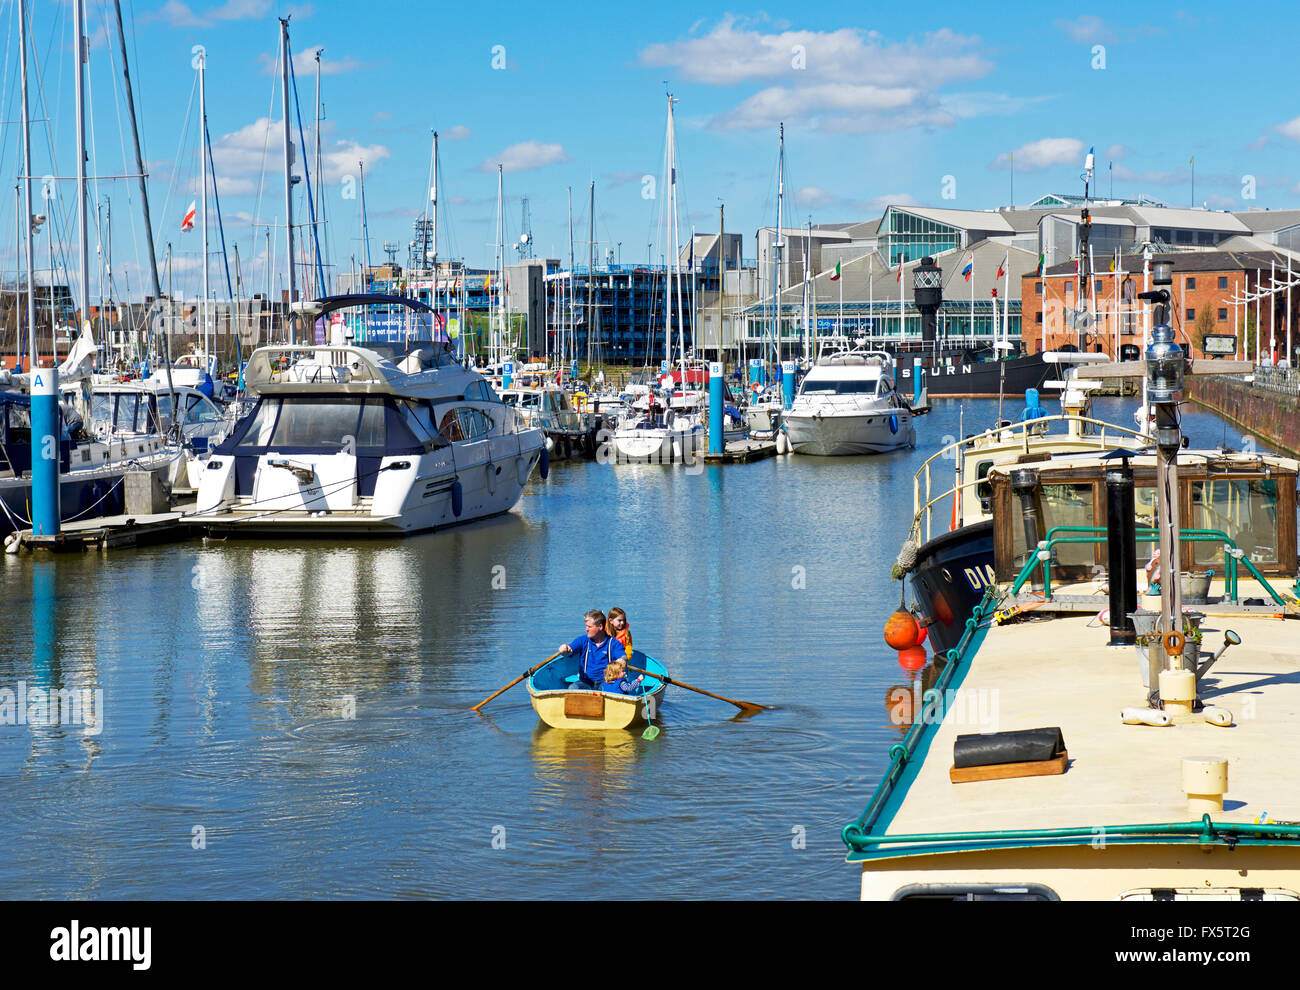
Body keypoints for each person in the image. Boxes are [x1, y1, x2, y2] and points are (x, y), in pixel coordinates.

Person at [559, 609, 629, 692]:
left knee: (612, 690)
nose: (586, 629)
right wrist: (564, 650)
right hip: (585, 682)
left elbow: (623, 656)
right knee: (572, 689)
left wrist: (622, 660)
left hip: (606, 682)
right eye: (586, 626)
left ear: (600, 627)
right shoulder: (583, 640)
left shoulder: (613, 643)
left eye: (589, 627)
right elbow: (570, 650)